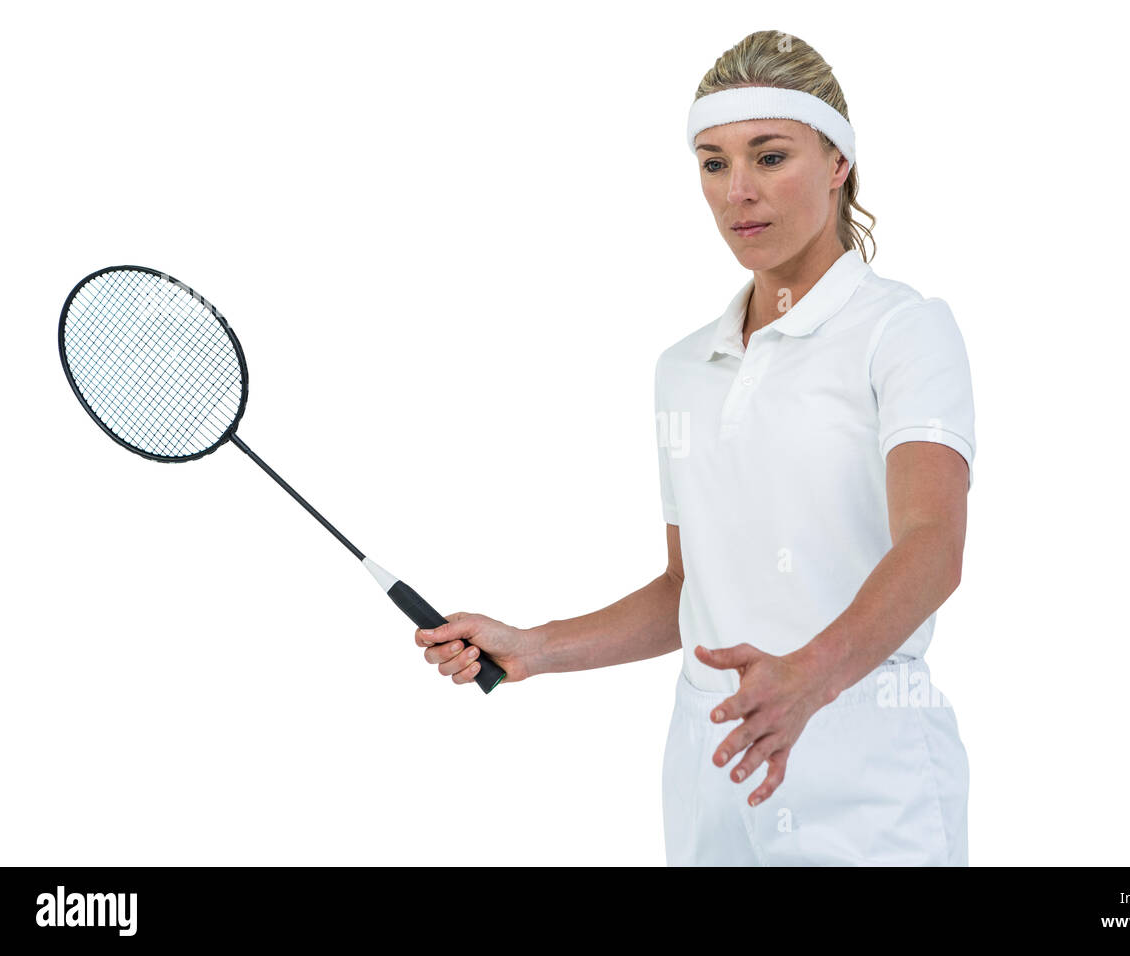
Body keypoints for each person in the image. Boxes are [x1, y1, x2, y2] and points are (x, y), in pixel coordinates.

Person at [415, 29, 975, 866]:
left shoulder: (903, 331)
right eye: (713, 163)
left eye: (770, 156)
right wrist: (534, 647)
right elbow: (689, 588)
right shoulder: (685, 368)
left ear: (838, 164)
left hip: (869, 784)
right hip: (710, 780)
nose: (737, 193)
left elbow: (933, 546)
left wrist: (807, 679)